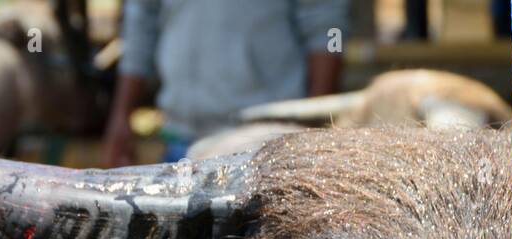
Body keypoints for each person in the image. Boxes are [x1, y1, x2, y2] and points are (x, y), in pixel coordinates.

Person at [104, 0, 348, 166]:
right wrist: (121, 115)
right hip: (180, 144)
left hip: (264, 149)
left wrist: (318, 121)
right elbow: (140, 24)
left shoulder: (332, 31)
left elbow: (330, 28)